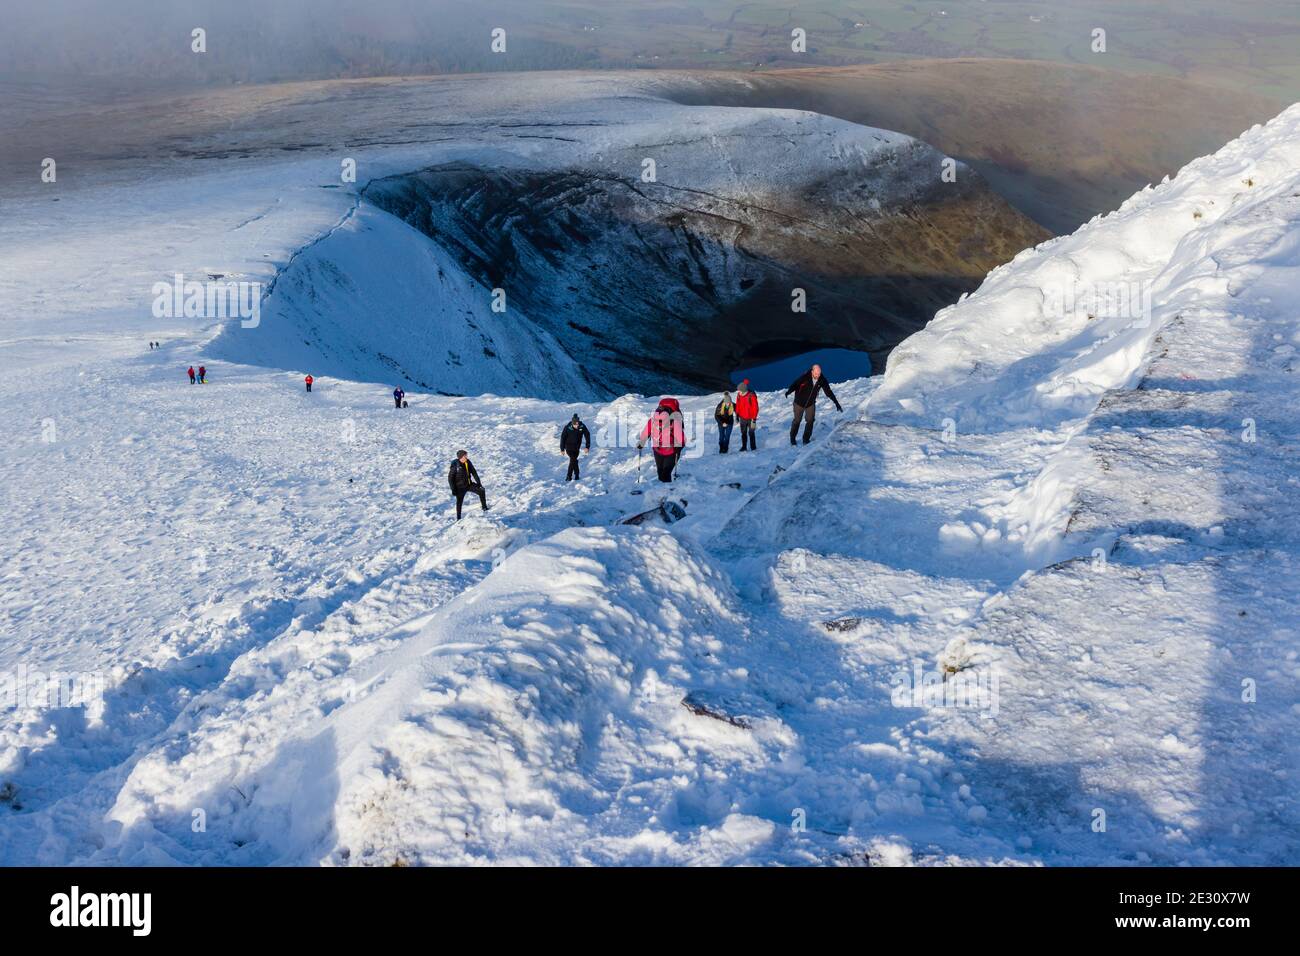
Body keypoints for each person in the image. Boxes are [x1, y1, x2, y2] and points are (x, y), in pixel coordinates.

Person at [785, 363, 841, 445]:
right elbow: (795, 384)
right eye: (816, 374)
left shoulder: (822, 379)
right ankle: (792, 439)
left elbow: (828, 392)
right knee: (797, 421)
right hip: (799, 403)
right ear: (812, 371)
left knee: (810, 421)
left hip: (810, 404)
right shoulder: (805, 377)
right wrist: (789, 391)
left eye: (819, 374)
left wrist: (836, 403)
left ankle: (806, 439)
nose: (817, 376)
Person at [637, 397, 686, 483]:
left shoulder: (652, 421)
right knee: (663, 474)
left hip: (659, 451)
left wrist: (641, 442)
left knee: (663, 474)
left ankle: (665, 492)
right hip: (670, 452)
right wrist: (679, 448)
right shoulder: (674, 422)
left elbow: (645, 433)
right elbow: (682, 439)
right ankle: (664, 492)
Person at [447, 450, 488, 519]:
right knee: (459, 502)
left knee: (481, 491)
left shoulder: (468, 462)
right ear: (461, 457)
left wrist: (479, 483)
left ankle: (484, 508)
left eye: (466, 455)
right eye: (465, 456)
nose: (466, 457)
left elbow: (474, 472)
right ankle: (458, 518)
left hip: (469, 484)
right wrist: (453, 489)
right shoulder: (455, 466)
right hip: (460, 488)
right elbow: (450, 478)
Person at [560, 413, 591, 481]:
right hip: (568, 447)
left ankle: (577, 474)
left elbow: (587, 435)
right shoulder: (567, 427)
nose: (577, 426)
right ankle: (569, 476)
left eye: (578, 424)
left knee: (574, 461)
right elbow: (563, 438)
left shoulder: (582, 426)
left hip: (577, 448)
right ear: (572, 423)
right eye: (575, 424)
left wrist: (587, 447)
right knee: (573, 459)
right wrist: (562, 449)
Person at [735, 379, 759, 451]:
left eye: (739, 390)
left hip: (751, 418)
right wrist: (737, 415)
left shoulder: (751, 396)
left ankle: (753, 447)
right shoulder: (739, 395)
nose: (738, 392)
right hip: (742, 418)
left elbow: (755, 408)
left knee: (751, 433)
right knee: (743, 433)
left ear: (743, 391)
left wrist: (754, 419)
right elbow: (738, 405)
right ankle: (744, 447)